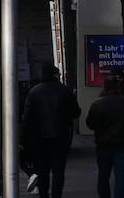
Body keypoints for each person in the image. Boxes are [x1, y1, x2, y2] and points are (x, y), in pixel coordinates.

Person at [19, 62, 80, 198]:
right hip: (61, 135)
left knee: (43, 170)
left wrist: (22, 138)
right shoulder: (65, 90)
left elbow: (26, 117)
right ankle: (56, 195)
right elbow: (76, 112)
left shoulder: (34, 92)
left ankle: (44, 195)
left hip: (40, 138)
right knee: (58, 171)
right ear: (54, 75)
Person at [87, 72, 124, 198]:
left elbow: (90, 124)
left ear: (105, 87)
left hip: (103, 145)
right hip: (121, 144)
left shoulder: (98, 104)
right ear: (118, 86)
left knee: (103, 175)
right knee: (121, 176)